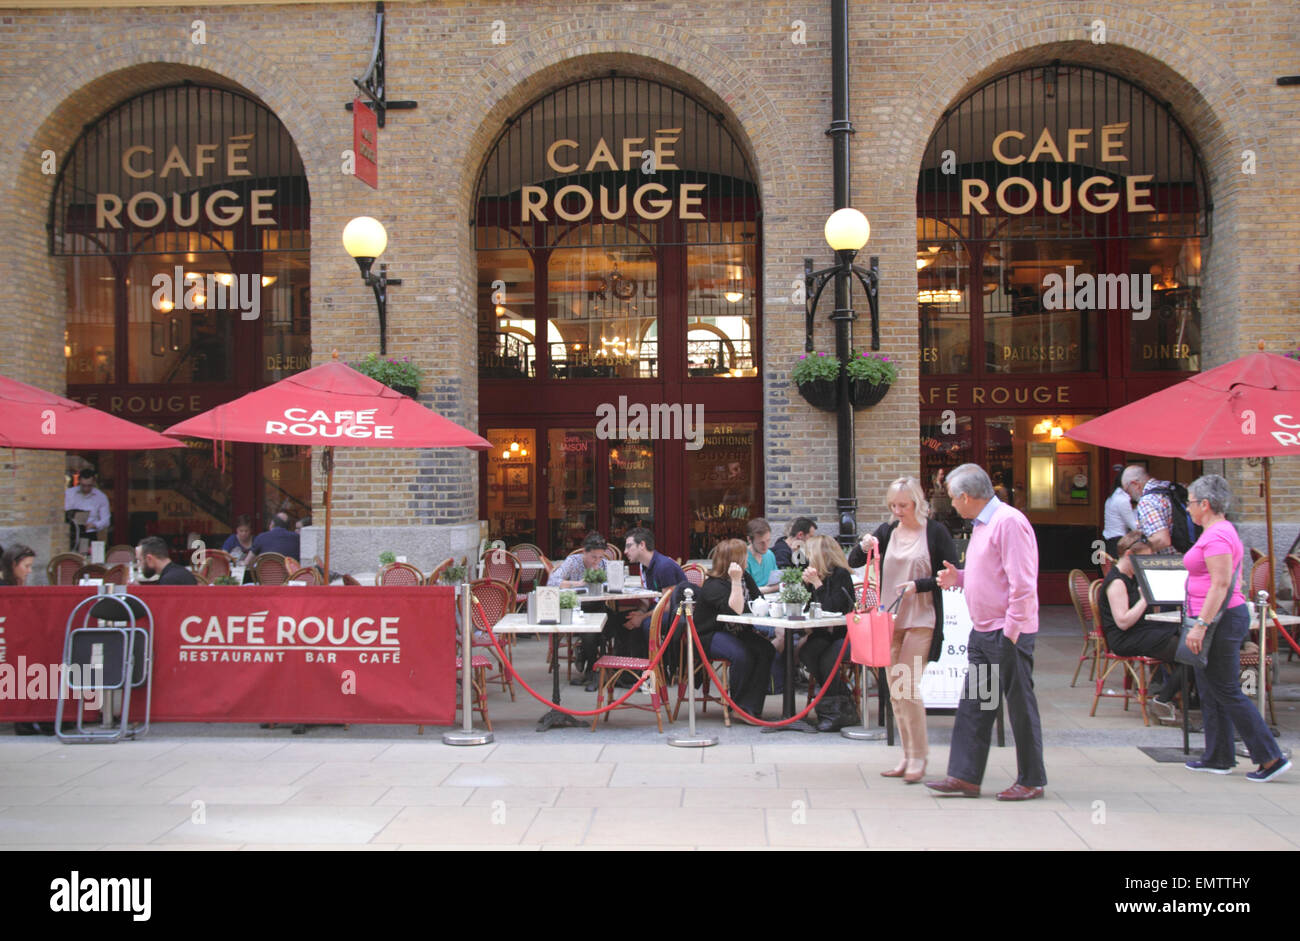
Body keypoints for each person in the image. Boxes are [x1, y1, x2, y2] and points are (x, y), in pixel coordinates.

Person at [927, 463, 1047, 801]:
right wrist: (960, 578)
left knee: (1020, 706)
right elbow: (992, 573)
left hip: (1006, 632)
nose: (951, 504)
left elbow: (1023, 583)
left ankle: (1032, 779)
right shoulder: (984, 523)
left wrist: (1011, 631)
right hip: (984, 630)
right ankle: (964, 776)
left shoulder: (1008, 522)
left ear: (966, 496)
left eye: (953, 498)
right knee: (976, 705)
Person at [1180, 475, 1289, 781]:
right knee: (1210, 687)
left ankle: (1270, 757)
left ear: (1205, 504)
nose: (1187, 508)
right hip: (1217, 617)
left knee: (1226, 688)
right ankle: (1218, 755)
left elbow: (1222, 583)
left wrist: (1201, 625)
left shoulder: (1217, 536)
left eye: (1190, 502)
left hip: (1220, 619)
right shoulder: (1217, 532)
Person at [851, 477, 959, 780]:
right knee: (896, 691)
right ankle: (907, 754)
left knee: (908, 687)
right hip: (889, 619)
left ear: (917, 503)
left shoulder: (935, 532)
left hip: (922, 618)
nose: (898, 511)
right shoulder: (886, 532)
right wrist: (863, 545)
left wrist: (918, 585)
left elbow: (949, 573)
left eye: (904, 505)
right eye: (893, 506)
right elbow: (854, 559)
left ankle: (919, 757)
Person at [1097, 530, 1188, 721]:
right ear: (1129, 556)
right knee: (1191, 654)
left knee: (1190, 645)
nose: (1146, 564)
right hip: (1125, 638)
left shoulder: (1133, 577)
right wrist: (1145, 599)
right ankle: (1163, 699)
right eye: (1144, 560)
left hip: (1144, 631)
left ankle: (1174, 698)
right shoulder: (1116, 582)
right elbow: (1122, 622)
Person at [690, 538, 774, 721]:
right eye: (745, 556)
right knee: (742, 655)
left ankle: (751, 706)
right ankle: (737, 705)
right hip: (709, 635)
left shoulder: (746, 577)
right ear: (733, 560)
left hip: (737, 632)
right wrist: (735, 581)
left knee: (766, 649)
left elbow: (758, 600)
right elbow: (735, 611)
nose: (748, 559)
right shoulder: (714, 585)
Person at [796, 534, 859, 732]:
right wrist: (806, 586)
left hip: (845, 635)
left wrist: (817, 584)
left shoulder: (841, 575)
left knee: (827, 660)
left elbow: (834, 609)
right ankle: (840, 701)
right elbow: (810, 609)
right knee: (807, 652)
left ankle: (833, 711)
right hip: (825, 634)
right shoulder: (819, 576)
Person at [548, 532, 615, 689]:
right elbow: (552, 581)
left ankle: (587, 657)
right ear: (584, 552)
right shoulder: (573, 562)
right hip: (577, 609)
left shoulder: (603, 564)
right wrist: (577, 583)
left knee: (616, 625)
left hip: (598, 606)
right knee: (590, 633)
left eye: (600, 557)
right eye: (593, 557)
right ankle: (592, 671)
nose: (597, 561)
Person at [622, 527, 686, 658]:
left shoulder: (664, 566)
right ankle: (628, 671)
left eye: (629, 546)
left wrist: (642, 617)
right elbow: (646, 598)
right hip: (659, 608)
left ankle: (656, 669)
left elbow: (669, 605)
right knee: (624, 620)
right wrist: (640, 612)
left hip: (678, 613)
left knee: (647, 625)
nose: (625, 551)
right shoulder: (643, 565)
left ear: (642, 545)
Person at [1121, 464, 1176, 555]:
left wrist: (1136, 550)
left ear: (1135, 484)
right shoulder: (1168, 488)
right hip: (1186, 557)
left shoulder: (1147, 501)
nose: (1129, 496)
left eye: (1127, 491)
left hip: (1168, 562)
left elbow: (1162, 539)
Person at [64, 468, 111, 547]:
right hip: (70, 534)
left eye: (89, 486)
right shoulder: (69, 493)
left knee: (85, 556)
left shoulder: (101, 497)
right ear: (79, 481)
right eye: (83, 485)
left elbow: (106, 520)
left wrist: (94, 525)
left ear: (94, 482)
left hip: (88, 534)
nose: (86, 488)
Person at [1103, 465, 1138, 560]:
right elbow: (1133, 526)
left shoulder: (1113, 496)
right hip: (1118, 542)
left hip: (1109, 540)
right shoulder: (1122, 499)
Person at [744, 518, 780, 594]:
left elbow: (777, 581)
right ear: (749, 540)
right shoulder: (743, 558)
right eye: (761, 542)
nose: (766, 545)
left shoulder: (769, 554)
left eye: (768, 540)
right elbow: (747, 590)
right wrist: (773, 588)